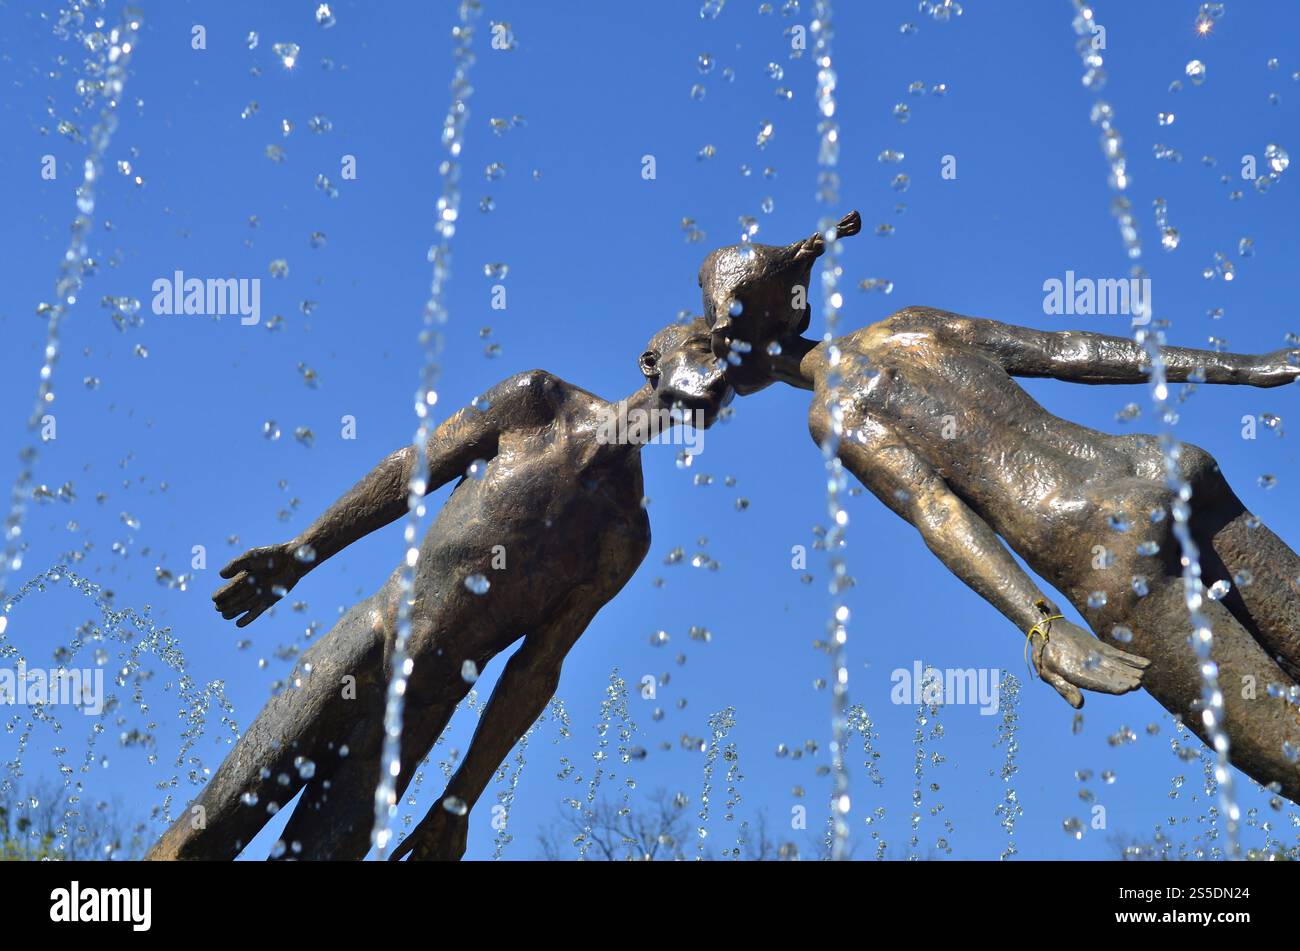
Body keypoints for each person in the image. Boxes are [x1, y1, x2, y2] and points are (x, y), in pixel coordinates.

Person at [699, 211, 1300, 801]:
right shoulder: (912, 325)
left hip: (1097, 536)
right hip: (1159, 464)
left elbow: (936, 511)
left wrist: (1042, 624)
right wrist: (1244, 368)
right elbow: (1067, 350)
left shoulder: (833, 410)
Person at [146, 319, 732, 860]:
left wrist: (460, 802)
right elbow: (409, 472)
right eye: (707, 346)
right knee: (207, 833)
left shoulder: (624, 533)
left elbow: (535, 670)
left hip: (418, 715)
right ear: (652, 361)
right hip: (365, 648)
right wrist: (304, 550)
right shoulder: (536, 401)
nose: (722, 361)